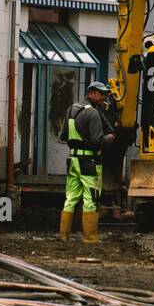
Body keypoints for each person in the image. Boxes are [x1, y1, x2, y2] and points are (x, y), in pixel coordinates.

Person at [61, 81, 116, 244]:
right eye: (101, 94)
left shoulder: (71, 109)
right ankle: (90, 237)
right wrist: (111, 138)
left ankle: (64, 236)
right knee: (91, 199)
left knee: (70, 197)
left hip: (73, 160)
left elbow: (63, 136)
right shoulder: (92, 113)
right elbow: (97, 140)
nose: (103, 98)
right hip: (89, 162)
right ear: (91, 93)